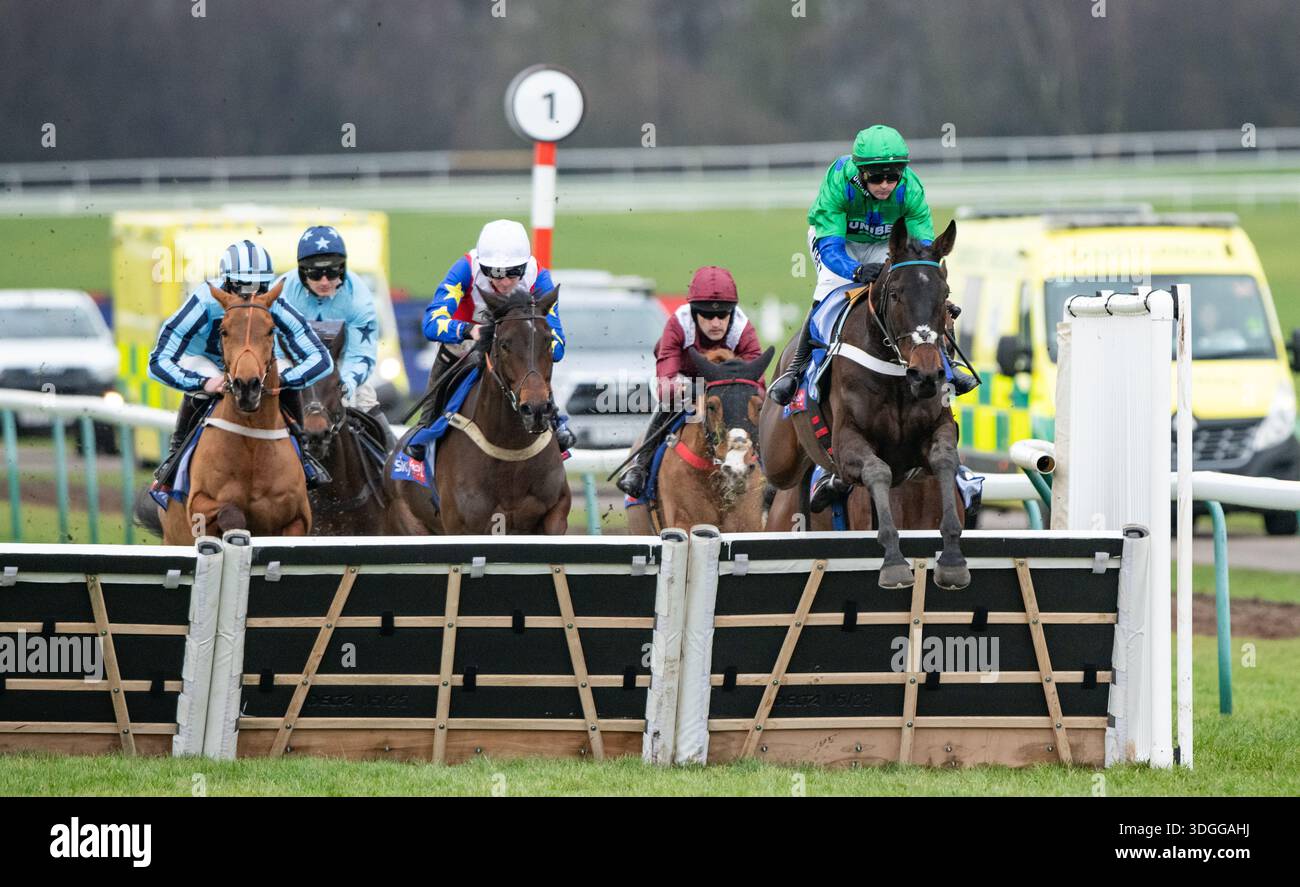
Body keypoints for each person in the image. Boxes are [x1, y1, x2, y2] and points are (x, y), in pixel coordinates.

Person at [768, 124, 977, 406]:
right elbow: (830, 247)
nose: (885, 185)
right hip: (840, 242)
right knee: (828, 294)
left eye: (893, 177)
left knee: (917, 292)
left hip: (885, 243)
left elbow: (922, 249)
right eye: (876, 177)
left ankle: (949, 368)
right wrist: (854, 271)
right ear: (860, 172)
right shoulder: (840, 182)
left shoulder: (910, 188)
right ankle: (794, 370)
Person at [147, 239, 334, 493]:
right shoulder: (204, 302)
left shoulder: (273, 302)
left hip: (253, 363)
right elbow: (159, 360)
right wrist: (202, 383)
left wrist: (282, 380)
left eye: (259, 287)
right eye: (242, 287)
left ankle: (303, 456)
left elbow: (321, 358)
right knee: (208, 377)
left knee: (284, 370)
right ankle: (174, 461)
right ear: (226, 282)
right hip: (209, 362)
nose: (250, 296)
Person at [418, 219, 575, 450]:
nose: (504, 282)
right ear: (482, 267)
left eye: (513, 273)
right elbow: (431, 323)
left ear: (525, 267)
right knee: (450, 350)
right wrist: (468, 330)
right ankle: (426, 427)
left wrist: (533, 341)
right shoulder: (464, 268)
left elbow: (558, 347)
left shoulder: (539, 277)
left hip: (515, 348)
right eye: (493, 274)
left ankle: (552, 419)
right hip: (467, 343)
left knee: (534, 354)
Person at [615, 265, 762, 498]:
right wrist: (690, 389)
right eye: (707, 315)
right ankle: (641, 468)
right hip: (683, 380)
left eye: (722, 315)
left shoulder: (742, 328)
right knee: (669, 406)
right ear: (694, 313)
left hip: (726, 385)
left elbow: (758, 385)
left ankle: (766, 469)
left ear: (731, 313)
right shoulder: (678, 324)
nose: (715, 323)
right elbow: (665, 385)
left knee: (752, 408)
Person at [276, 225, 387, 424]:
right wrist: (294, 378)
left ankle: (392, 453)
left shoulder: (358, 297)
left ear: (343, 269)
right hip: (294, 362)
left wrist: (346, 385)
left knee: (364, 397)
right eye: (316, 274)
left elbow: (360, 355)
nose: (325, 281)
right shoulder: (282, 293)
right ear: (302, 272)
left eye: (332, 272)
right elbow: (276, 352)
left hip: (341, 362)